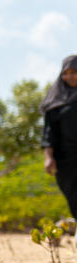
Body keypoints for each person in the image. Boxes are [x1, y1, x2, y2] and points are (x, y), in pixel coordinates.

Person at [41, 55, 77, 221]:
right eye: (66, 73)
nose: (70, 76)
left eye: (74, 72)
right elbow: (49, 132)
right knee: (73, 196)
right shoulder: (55, 101)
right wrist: (48, 158)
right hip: (66, 160)